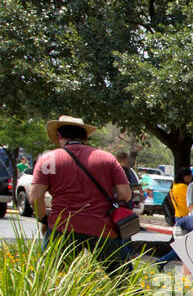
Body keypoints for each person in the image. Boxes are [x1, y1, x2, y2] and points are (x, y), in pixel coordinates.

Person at [29, 115, 133, 268]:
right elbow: (125, 194)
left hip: (62, 227)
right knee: (123, 282)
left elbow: (35, 198)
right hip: (102, 228)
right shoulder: (107, 159)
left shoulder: (48, 159)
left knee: (48, 279)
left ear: (58, 135)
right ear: (85, 136)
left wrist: (44, 219)